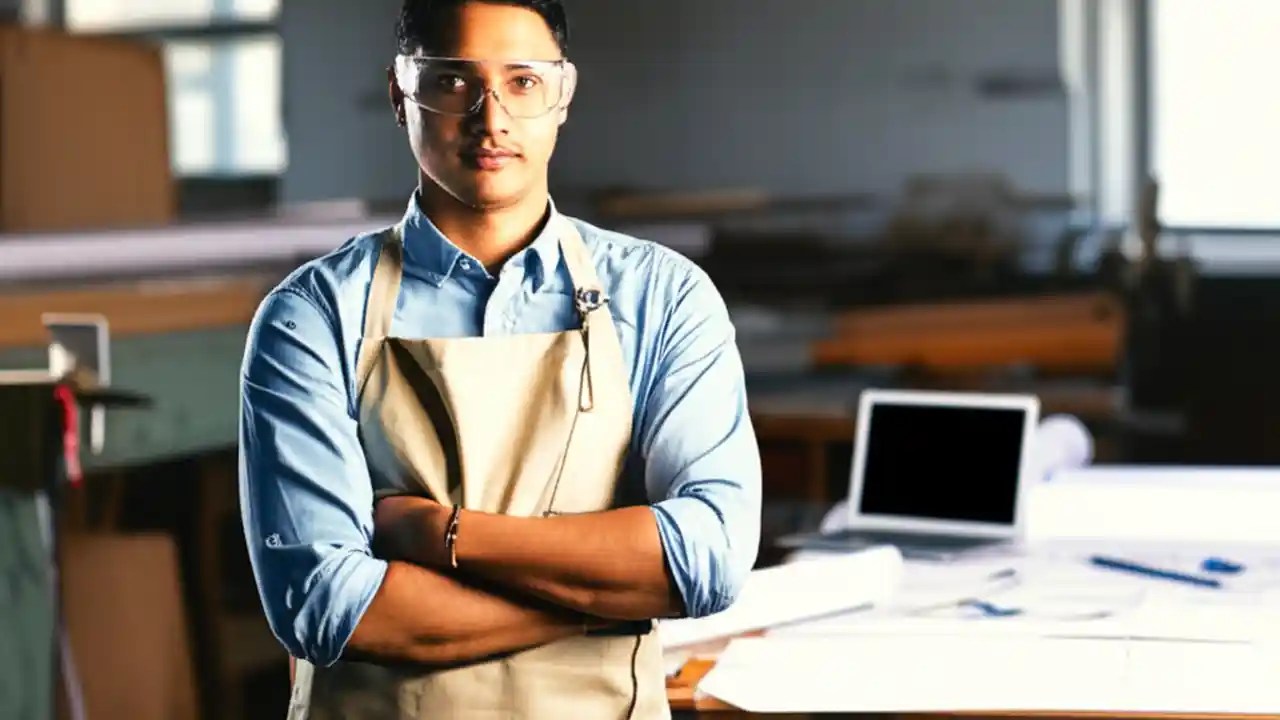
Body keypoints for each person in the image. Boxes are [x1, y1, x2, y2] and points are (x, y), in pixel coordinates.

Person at [238, 0, 761, 717]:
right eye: (454, 81)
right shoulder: (312, 316)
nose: (492, 119)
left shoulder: (662, 297)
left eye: (523, 81)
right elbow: (331, 608)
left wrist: (442, 534)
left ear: (563, 95)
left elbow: (708, 558)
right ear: (400, 93)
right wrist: (607, 601)